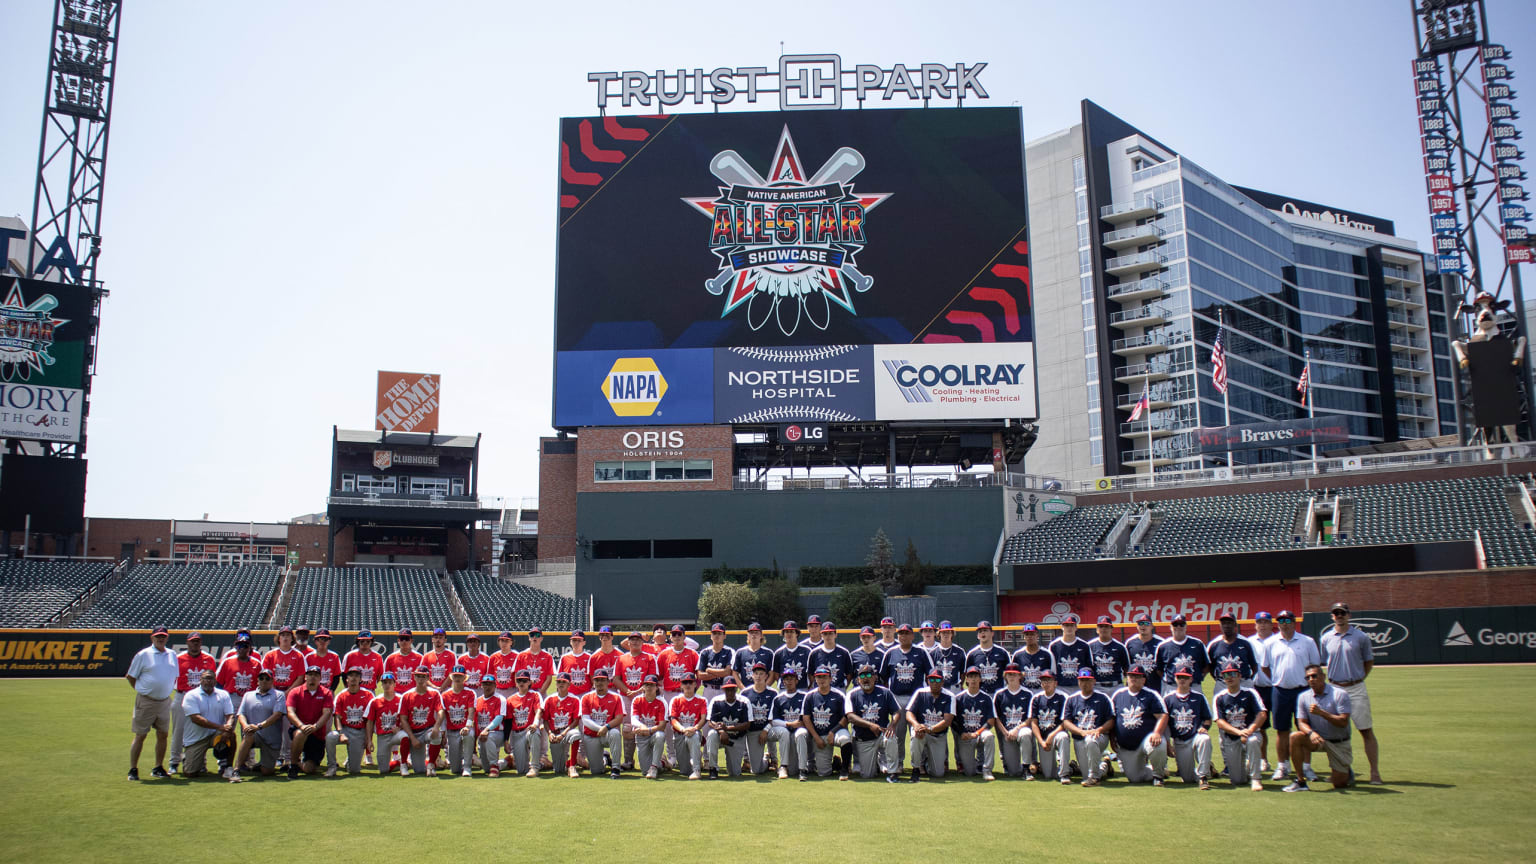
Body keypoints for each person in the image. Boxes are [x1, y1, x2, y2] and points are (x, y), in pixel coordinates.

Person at [1320, 602, 1382, 784]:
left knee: (1365, 730)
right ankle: (1339, 771)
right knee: (1332, 734)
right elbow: (1324, 661)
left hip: (1355, 687)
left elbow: (1368, 662)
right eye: (1336, 613)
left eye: (1342, 613)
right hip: (1334, 688)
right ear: (1332, 616)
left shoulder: (1360, 637)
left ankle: (1375, 772)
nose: (1339, 616)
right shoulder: (1325, 638)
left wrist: (1358, 678)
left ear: (1349, 615)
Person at [1265, 610, 1321, 783]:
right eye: (1281, 620)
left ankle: (1306, 767)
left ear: (1294, 622)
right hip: (1280, 691)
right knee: (1281, 730)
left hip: (1303, 691)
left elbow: (1315, 667)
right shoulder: (1271, 642)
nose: (1284, 623)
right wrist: (1279, 680)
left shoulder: (1307, 641)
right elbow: (1265, 667)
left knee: (1303, 730)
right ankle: (1283, 766)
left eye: (1288, 620)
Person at [1287, 664, 1353, 792]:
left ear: (1323, 677)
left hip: (1339, 742)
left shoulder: (1340, 694)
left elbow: (1343, 722)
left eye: (1314, 676)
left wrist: (1322, 713)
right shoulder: (1303, 697)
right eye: (1308, 677)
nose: (1311, 679)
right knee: (1295, 736)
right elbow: (1301, 722)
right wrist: (1311, 733)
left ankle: (1346, 771)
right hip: (1318, 739)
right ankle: (1300, 781)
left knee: (1340, 784)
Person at [126, 626, 178, 781]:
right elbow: (130, 676)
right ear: (152, 638)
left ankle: (158, 767)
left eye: (163, 636)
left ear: (167, 638)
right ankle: (133, 769)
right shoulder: (143, 655)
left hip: (164, 701)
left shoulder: (172, 654)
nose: (160, 639)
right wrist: (143, 690)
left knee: (163, 734)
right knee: (141, 734)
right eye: (157, 636)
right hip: (146, 700)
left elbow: (174, 676)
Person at [878, 623, 930, 770]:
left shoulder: (921, 652)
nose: (903, 636)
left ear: (913, 636)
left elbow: (930, 674)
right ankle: (899, 762)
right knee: (898, 734)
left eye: (907, 633)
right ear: (897, 635)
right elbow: (883, 677)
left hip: (916, 699)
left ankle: (919, 764)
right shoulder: (891, 652)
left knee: (918, 732)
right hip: (897, 698)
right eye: (901, 633)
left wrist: (925, 696)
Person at [1213, 660, 1267, 791]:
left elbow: (1262, 714)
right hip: (1232, 738)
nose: (1230, 677)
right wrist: (1238, 733)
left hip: (1250, 733)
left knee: (1253, 741)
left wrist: (1249, 730)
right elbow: (1220, 722)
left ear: (1239, 675)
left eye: (1232, 674)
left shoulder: (1250, 693)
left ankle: (1256, 778)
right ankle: (1247, 767)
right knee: (1238, 780)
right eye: (1226, 675)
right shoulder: (1220, 697)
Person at [1109, 665, 1168, 786]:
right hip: (1127, 745)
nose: (1133, 679)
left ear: (1143, 679)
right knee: (1135, 778)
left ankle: (1158, 775)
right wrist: (1112, 738)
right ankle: (1151, 771)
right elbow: (1112, 719)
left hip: (1146, 740)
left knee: (1158, 743)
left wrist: (1157, 733)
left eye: (1137, 676)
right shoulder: (1118, 695)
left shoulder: (1151, 695)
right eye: (1131, 675)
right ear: (1126, 678)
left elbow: (1163, 716)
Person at [170, 631, 217, 774]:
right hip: (183, 695)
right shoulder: (178, 658)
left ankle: (200, 762)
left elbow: (213, 679)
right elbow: (171, 677)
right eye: (192, 641)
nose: (195, 643)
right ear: (187, 642)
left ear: (201, 642)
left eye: (197, 641)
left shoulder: (208, 658)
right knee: (178, 731)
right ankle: (174, 762)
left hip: (202, 697)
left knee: (201, 730)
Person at [845, 664, 902, 782]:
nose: (866, 678)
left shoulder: (885, 692)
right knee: (867, 775)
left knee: (891, 737)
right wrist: (870, 725)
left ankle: (893, 772)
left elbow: (897, 712)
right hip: (864, 738)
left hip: (882, 734)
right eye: (862, 676)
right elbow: (850, 717)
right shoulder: (852, 694)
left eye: (869, 675)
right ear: (858, 679)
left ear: (875, 677)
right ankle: (876, 763)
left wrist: (892, 725)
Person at [1163, 668, 1214, 789]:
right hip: (1179, 741)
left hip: (1195, 736)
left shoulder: (1199, 697)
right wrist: (1168, 744)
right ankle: (1209, 768)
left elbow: (1207, 718)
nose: (1182, 680)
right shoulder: (1168, 699)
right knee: (1188, 779)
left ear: (1191, 679)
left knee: (1204, 739)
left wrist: (1204, 727)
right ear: (1175, 678)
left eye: (1185, 677)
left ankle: (1203, 777)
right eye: (1180, 677)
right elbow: (1164, 723)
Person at [180, 669, 236, 779]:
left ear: (215, 681)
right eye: (206, 678)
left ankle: (228, 767)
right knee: (190, 773)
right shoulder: (191, 695)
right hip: (196, 738)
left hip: (216, 734)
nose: (208, 681)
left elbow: (230, 715)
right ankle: (187, 757)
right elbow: (196, 719)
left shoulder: (223, 694)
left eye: (211, 679)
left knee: (231, 735)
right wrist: (220, 727)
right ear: (200, 680)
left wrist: (227, 728)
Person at [615, 631, 658, 770]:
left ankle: (649, 760)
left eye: (638, 640)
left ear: (642, 642)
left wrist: (639, 691)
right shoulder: (621, 659)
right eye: (632, 640)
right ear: (628, 642)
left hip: (645, 696)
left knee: (646, 725)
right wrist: (628, 691)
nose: (635, 642)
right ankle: (628, 760)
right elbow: (616, 679)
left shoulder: (649, 658)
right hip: (625, 696)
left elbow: (652, 678)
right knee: (627, 728)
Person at [1063, 669, 1113, 786]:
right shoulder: (1072, 699)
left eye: (1088, 680)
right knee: (1085, 773)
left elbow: (1111, 721)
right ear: (1078, 682)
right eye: (1082, 680)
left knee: (1091, 740)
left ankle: (1095, 778)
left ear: (1094, 681)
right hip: (1080, 738)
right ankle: (1105, 766)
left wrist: (1099, 730)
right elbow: (1066, 722)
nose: (1085, 683)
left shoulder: (1103, 698)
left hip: (1099, 736)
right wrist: (1080, 732)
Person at [801, 667, 853, 781]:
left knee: (845, 738)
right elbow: (806, 718)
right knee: (823, 773)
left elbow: (846, 717)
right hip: (819, 735)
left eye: (824, 676)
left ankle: (844, 769)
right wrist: (816, 737)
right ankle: (836, 764)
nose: (821, 679)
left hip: (836, 731)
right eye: (819, 677)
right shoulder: (809, 696)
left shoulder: (839, 695)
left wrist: (833, 732)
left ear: (830, 678)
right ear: (815, 679)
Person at [904, 669, 955, 782]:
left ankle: (927, 761)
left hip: (937, 735)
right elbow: (909, 713)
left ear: (942, 682)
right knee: (916, 735)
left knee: (938, 773)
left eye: (937, 679)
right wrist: (916, 725)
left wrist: (930, 729)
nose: (934, 682)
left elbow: (947, 721)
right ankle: (916, 769)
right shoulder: (920, 692)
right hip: (921, 730)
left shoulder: (949, 696)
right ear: (927, 681)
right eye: (931, 679)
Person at [234, 669, 285, 779]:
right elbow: (241, 714)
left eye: (267, 679)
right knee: (248, 735)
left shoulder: (279, 695)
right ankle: (236, 769)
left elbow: (277, 715)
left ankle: (259, 765)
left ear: (272, 681)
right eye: (261, 678)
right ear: (257, 681)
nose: (264, 681)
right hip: (254, 733)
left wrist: (259, 726)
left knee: (266, 772)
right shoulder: (248, 695)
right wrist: (245, 726)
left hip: (271, 739)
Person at [285, 665, 333, 778]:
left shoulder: (326, 693)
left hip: (317, 734)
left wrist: (315, 726)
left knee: (309, 769)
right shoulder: (295, 692)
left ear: (320, 678)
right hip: (299, 729)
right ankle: (293, 765)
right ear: (305, 677)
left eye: (316, 675)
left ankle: (297, 763)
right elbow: (290, 712)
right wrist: (301, 726)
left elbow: (327, 713)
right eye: (310, 675)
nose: (313, 677)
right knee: (301, 733)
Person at [326, 667, 373, 777]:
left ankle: (350, 760)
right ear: (346, 679)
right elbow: (337, 716)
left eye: (356, 676)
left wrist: (368, 737)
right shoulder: (341, 695)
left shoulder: (368, 695)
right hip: (345, 729)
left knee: (354, 771)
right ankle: (332, 766)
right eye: (351, 675)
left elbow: (370, 719)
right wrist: (341, 733)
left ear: (360, 679)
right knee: (330, 737)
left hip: (360, 731)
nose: (353, 678)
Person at [953, 667, 998, 780]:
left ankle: (987, 770)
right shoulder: (958, 698)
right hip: (965, 736)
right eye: (970, 677)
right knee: (970, 772)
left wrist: (977, 733)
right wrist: (962, 733)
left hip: (980, 734)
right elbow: (953, 721)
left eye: (976, 677)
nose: (973, 680)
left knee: (989, 736)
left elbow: (991, 721)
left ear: (980, 679)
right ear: (966, 679)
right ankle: (976, 763)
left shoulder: (986, 698)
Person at [215, 634, 261, 742]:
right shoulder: (228, 662)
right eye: (240, 645)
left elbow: (261, 684)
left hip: (249, 699)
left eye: (245, 646)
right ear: (236, 647)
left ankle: (249, 758)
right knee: (227, 728)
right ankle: (222, 757)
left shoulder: (256, 663)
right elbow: (219, 683)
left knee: (248, 729)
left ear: (250, 648)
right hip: (232, 697)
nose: (242, 648)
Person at [1028, 670, 1072, 785]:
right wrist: (1041, 741)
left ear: (1055, 683)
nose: (1046, 683)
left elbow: (1065, 722)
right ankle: (1072, 767)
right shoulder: (1036, 698)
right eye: (1044, 680)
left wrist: (1052, 735)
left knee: (1063, 737)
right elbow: (1034, 723)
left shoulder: (1063, 697)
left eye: (1049, 680)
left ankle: (1065, 773)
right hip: (1043, 739)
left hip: (1057, 734)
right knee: (1048, 774)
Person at [399, 667, 443, 776]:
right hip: (413, 732)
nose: (420, 679)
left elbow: (441, 712)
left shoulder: (434, 693)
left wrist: (437, 727)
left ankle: (432, 764)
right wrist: (413, 739)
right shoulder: (406, 695)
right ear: (414, 677)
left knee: (437, 735)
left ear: (428, 678)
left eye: (423, 676)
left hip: (427, 730)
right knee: (419, 770)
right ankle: (402, 763)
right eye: (418, 676)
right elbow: (403, 719)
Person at [579, 671, 624, 778]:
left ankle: (616, 767)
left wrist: (606, 727)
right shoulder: (586, 697)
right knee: (596, 771)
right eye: (597, 680)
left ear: (608, 681)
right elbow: (585, 720)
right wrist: (601, 728)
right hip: (592, 735)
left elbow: (619, 718)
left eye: (603, 680)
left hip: (608, 733)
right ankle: (605, 759)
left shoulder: (616, 697)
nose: (599, 683)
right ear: (593, 682)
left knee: (615, 733)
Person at [994, 664, 1035, 778]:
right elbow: (996, 718)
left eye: (1014, 674)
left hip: (1021, 729)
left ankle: (1027, 768)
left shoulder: (1027, 694)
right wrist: (1005, 733)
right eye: (1009, 674)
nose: (1011, 676)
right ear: (1005, 676)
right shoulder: (1000, 694)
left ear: (1020, 676)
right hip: (1007, 733)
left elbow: (1030, 718)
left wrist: (1017, 729)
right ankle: (1016, 767)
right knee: (1013, 772)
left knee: (1026, 733)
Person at [1248, 611, 1276, 773]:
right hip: (1256, 689)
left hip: (1276, 688)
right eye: (1260, 622)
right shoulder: (1250, 642)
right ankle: (1263, 759)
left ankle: (1283, 762)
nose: (1263, 625)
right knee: (1260, 727)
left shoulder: (1278, 640)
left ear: (1271, 624)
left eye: (1266, 622)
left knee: (1282, 727)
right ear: (1255, 624)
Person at [705, 680, 751, 778]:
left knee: (734, 773)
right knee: (712, 734)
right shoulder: (716, 701)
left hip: (736, 738)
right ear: (723, 689)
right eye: (727, 690)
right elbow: (710, 721)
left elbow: (747, 724)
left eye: (732, 689)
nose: (730, 692)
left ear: (736, 689)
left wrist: (728, 728)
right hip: (720, 736)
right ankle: (713, 768)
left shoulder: (744, 701)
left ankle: (765, 761)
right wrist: (722, 731)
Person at [1155, 616, 1210, 697]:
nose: (1178, 627)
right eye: (1175, 624)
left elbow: (1206, 665)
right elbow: (1159, 669)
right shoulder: (1163, 646)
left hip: (1194, 686)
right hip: (1172, 687)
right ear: (1170, 627)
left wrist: (1197, 677)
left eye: (1181, 624)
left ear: (1186, 626)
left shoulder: (1197, 644)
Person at [766, 670, 806, 779]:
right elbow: (773, 720)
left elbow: (806, 717)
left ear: (797, 681)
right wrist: (789, 723)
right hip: (785, 730)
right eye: (786, 679)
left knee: (793, 771)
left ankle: (804, 769)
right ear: (783, 682)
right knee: (784, 732)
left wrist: (799, 724)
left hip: (799, 730)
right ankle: (783, 766)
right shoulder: (778, 698)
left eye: (792, 679)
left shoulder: (804, 696)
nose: (789, 682)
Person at [739, 663, 778, 774]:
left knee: (784, 733)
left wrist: (766, 730)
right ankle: (766, 760)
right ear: (752, 676)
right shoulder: (745, 693)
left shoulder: (773, 693)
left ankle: (776, 761)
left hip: (769, 728)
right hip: (753, 731)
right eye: (756, 673)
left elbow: (775, 716)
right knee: (756, 770)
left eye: (761, 674)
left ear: (766, 676)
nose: (758, 676)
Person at [503, 669, 543, 777]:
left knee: (534, 733)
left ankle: (535, 767)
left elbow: (538, 711)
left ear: (530, 682)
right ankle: (512, 760)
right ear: (515, 683)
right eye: (519, 680)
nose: (521, 683)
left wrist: (535, 723)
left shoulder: (535, 695)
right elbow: (508, 722)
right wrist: (506, 741)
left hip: (529, 730)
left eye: (524, 681)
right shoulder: (511, 699)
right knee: (521, 770)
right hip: (517, 734)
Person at [366, 673, 407, 776]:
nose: (387, 685)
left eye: (390, 682)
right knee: (383, 770)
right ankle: (396, 763)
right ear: (381, 685)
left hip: (397, 733)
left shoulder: (401, 699)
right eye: (385, 683)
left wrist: (401, 728)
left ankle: (404, 763)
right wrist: (369, 740)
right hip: (383, 736)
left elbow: (407, 718)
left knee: (405, 737)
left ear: (394, 684)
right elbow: (370, 721)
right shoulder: (375, 701)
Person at [543, 672, 584, 778]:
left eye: (564, 682)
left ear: (569, 684)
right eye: (559, 682)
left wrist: (564, 734)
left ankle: (572, 766)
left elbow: (575, 721)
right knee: (558, 770)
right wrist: (550, 733)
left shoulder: (574, 699)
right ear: (556, 684)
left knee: (576, 734)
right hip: (555, 735)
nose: (561, 684)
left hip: (567, 732)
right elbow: (545, 720)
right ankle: (571, 761)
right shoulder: (549, 699)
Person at [669, 674, 709, 780]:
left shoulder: (702, 700)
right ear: (681, 685)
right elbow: (673, 719)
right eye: (685, 682)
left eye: (690, 682)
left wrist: (695, 728)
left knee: (694, 736)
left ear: (695, 684)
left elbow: (703, 718)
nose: (687, 685)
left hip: (694, 732)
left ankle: (697, 770)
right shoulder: (675, 700)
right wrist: (683, 729)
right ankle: (696, 755)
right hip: (679, 734)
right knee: (685, 771)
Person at [440, 666, 477, 777]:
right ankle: (459, 764)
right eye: (455, 676)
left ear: (464, 678)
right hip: (452, 731)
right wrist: (443, 732)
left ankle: (467, 767)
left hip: (465, 728)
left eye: (460, 676)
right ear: (451, 677)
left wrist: (468, 726)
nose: (457, 678)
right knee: (455, 769)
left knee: (469, 735)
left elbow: (471, 712)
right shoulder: (445, 695)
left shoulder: (470, 693)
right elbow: (443, 716)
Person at [630, 674, 669, 779]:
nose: (649, 687)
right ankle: (662, 762)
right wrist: (642, 726)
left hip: (654, 733)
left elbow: (662, 725)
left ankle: (654, 766)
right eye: (646, 685)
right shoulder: (637, 700)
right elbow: (634, 719)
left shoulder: (662, 702)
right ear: (643, 687)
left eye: (652, 685)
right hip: (641, 734)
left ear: (656, 687)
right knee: (644, 771)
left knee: (660, 736)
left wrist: (648, 730)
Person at [1206, 614, 1259, 690]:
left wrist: (1247, 680)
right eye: (1224, 623)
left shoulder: (1245, 643)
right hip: (1223, 684)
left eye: (1229, 623)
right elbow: (1210, 667)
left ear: (1235, 624)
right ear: (1220, 625)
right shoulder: (1214, 644)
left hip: (1243, 682)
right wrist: (1219, 679)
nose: (1226, 625)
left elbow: (1254, 666)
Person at [966, 621, 1011, 696]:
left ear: (992, 633)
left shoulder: (1002, 652)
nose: (983, 633)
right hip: (979, 693)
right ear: (978, 635)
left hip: (998, 693)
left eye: (985, 630)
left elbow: (1009, 674)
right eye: (980, 631)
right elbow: (967, 677)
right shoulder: (972, 654)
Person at [473, 675, 506, 777]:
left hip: (497, 734)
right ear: (481, 685)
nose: (487, 687)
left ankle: (494, 766)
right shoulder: (477, 700)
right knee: (486, 768)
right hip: (482, 736)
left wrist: (487, 729)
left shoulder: (500, 699)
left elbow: (499, 718)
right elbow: (475, 721)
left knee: (489, 736)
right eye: (485, 684)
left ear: (495, 685)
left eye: (490, 684)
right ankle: (506, 762)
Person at [1047, 615, 1093, 685]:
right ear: (1062, 627)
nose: (1069, 628)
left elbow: (1089, 666)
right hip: (1060, 685)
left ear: (1076, 627)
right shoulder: (1054, 646)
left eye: (1072, 625)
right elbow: (1051, 668)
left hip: (1079, 686)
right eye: (1066, 625)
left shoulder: (1084, 645)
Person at [807, 622, 854, 691]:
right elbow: (810, 673)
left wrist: (844, 686)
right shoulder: (814, 653)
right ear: (821, 635)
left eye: (830, 633)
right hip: (820, 689)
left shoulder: (844, 652)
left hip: (838, 688)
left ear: (835, 635)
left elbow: (849, 673)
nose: (828, 636)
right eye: (825, 634)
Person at [1089, 617, 1130, 695]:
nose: (1104, 629)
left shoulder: (1120, 647)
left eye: (1106, 626)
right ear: (1097, 629)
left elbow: (1126, 669)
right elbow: (1088, 667)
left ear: (1111, 629)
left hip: (1116, 686)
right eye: (1101, 626)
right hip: (1097, 686)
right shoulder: (1090, 646)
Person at [1011, 623, 1055, 694]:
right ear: (1024, 637)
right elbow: (1012, 676)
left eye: (1032, 634)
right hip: (1024, 692)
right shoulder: (1018, 655)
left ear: (1037, 635)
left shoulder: (1047, 654)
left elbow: (1053, 674)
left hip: (1042, 692)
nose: (1029, 637)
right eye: (1027, 634)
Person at [694, 623, 733, 701]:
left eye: (719, 633)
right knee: (708, 712)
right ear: (711, 636)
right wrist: (720, 673)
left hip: (723, 688)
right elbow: (700, 675)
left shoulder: (729, 651)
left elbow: (728, 672)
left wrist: (709, 670)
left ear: (724, 636)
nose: (717, 636)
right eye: (714, 633)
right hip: (708, 689)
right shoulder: (705, 652)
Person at [731, 622, 776, 690]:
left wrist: (764, 688)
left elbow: (772, 674)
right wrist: (743, 689)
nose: (754, 635)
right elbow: (735, 673)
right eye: (751, 633)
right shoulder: (740, 652)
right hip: (746, 689)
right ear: (748, 635)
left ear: (761, 635)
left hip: (763, 690)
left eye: (756, 632)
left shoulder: (768, 653)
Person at [1123, 617, 1163, 688]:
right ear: (1137, 626)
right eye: (1140, 623)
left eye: (1146, 623)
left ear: (1152, 626)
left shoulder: (1160, 642)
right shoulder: (1130, 643)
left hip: (1156, 685)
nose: (1143, 626)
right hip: (1136, 685)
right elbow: (1126, 666)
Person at [383, 629, 424, 699]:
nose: (404, 641)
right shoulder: (390, 658)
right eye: (402, 639)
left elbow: (424, 679)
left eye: (407, 639)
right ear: (398, 641)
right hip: (395, 695)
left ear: (411, 641)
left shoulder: (420, 658)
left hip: (413, 695)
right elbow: (386, 679)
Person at [928, 621, 967, 693]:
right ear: (939, 634)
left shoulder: (959, 651)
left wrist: (960, 685)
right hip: (938, 688)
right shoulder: (932, 653)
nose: (946, 635)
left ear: (952, 634)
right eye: (943, 632)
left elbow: (963, 673)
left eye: (948, 632)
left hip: (954, 687)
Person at [556, 630, 591, 696]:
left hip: (585, 694)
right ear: (570, 642)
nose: (576, 643)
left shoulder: (590, 658)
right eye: (574, 640)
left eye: (579, 640)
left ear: (584, 642)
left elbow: (592, 678)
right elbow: (559, 677)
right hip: (569, 694)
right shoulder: (564, 658)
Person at [488, 631, 519, 698]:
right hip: (497, 690)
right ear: (499, 642)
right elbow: (490, 676)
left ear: (511, 642)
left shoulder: (517, 656)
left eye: (507, 641)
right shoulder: (493, 657)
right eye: (502, 640)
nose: (504, 643)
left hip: (512, 690)